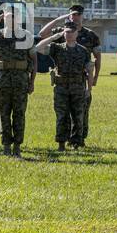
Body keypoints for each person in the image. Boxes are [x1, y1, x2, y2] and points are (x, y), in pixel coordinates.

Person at [38, 4, 100, 142]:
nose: (75, 17)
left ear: (82, 16)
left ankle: (78, 140)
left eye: (78, 15)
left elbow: (96, 58)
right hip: (62, 82)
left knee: (80, 114)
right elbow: (41, 35)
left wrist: (94, 79)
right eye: (72, 15)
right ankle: (64, 140)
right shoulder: (61, 32)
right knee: (62, 114)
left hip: (80, 80)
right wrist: (58, 20)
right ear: (69, 15)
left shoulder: (90, 35)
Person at [34, 22, 91, 150]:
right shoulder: (56, 48)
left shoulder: (83, 51)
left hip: (78, 87)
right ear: (63, 33)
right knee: (62, 116)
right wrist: (54, 37)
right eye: (66, 32)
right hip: (61, 88)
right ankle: (61, 143)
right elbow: (37, 48)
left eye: (71, 32)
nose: (69, 34)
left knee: (78, 116)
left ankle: (76, 143)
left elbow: (88, 70)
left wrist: (89, 88)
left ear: (76, 33)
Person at [0, 8, 36, 157]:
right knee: (3, 114)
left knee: (19, 114)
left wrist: (32, 81)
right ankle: (6, 145)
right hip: (2, 82)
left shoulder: (26, 36)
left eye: (13, 18)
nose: (10, 21)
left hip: (21, 81)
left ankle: (17, 146)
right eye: (8, 18)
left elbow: (34, 60)